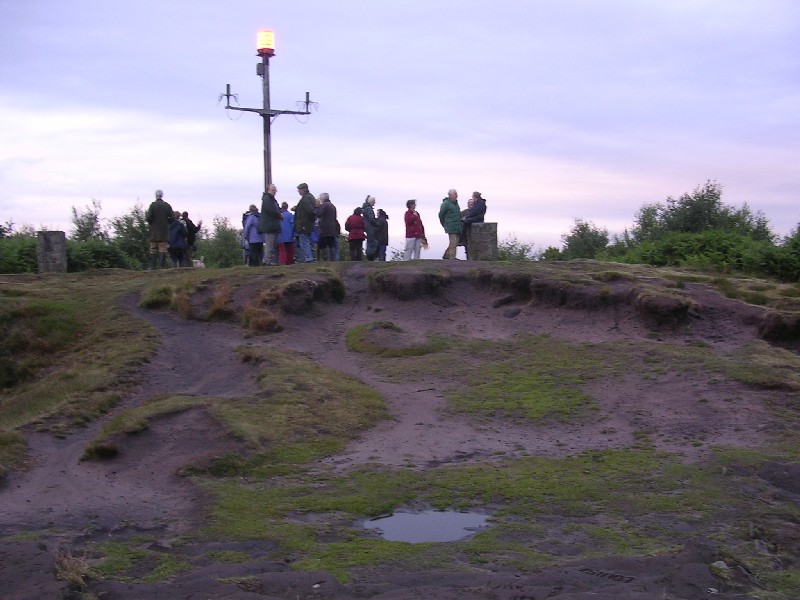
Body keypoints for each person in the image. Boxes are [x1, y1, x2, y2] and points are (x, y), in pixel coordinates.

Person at [145, 189, 174, 269]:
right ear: (162, 195)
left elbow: (148, 218)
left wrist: (151, 223)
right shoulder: (167, 205)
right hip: (164, 231)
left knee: (153, 249)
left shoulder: (152, 205)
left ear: (156, 195)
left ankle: (152, 267)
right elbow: (172, 218)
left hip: (154, 231)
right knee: (163, 249)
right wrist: (166, 222)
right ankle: (161, 267)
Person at [259, 183, 282, 266]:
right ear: (268, 190)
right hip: (270, 225)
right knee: (270, 243)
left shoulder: (271, 199)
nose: (275, 192)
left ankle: (269, 260)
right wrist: (279, 215)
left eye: (275, 190)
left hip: (272, 225)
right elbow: (272, 210)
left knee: (272, 244)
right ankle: (268, 260)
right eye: (273, 190)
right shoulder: (267, 199)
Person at [293, 183, 317, 263]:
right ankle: (311, 257)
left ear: (304, 189)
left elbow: (309, 211)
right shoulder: (309, 197)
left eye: (299, 190)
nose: (298, 191)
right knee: (309, 241)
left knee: (304, 241)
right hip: (308, 223)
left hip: (304, 224)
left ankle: (308, 258)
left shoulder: (306, 199)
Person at [461, 191, 487, 259]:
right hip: (477, 218)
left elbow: (475, 212)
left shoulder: (480, 203)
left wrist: (466, 217)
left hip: (478, 219)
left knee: (465, 222)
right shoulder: (479, 203)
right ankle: (462, 237)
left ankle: (462, 237)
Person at [439, 188, 462, 260]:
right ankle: (452, 258)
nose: (457, 195)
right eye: (455, 194)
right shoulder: (446, 204)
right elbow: (441, 215)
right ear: (450, 195)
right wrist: (445, 224)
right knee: (453, 242)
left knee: (455, 242)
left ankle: (446, 255)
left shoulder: (455, 204)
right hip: (451, 226)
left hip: (457, 226)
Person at [316, 192, 338, 261]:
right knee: (332, 245)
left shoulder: (324, 205)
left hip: (324, 229)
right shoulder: (333, 206)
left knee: (324, 245)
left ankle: (325, 260)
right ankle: (333, 260)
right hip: (332, 229)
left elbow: (319, 214)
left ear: (323, 198)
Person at [362, 195, 379, 261]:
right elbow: (371, 219)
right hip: (370, 227)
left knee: (370, 242)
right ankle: (371, 257)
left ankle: (369, 256)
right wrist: (376, 223)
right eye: (374, 201)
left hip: (367, 227)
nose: (374, 203)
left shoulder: (365, 209)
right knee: (373, 242)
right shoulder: (369, 209)